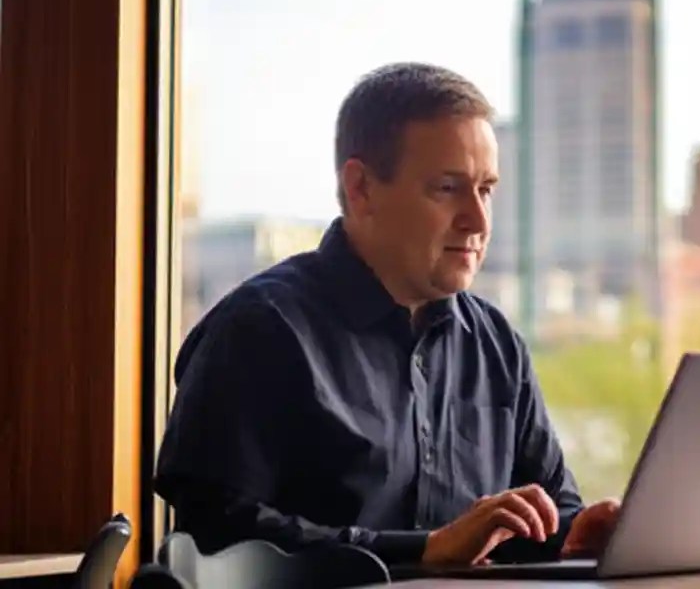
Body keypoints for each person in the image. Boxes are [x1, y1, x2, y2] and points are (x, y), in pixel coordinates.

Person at [155, 62, 620, 567]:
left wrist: (579, 532)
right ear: (361, 189)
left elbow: (548, 511)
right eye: (447, 188)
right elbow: (216, 537)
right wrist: (422, 552)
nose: (479, 220)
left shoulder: (497, 346)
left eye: (485, 189)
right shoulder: (258, 329)